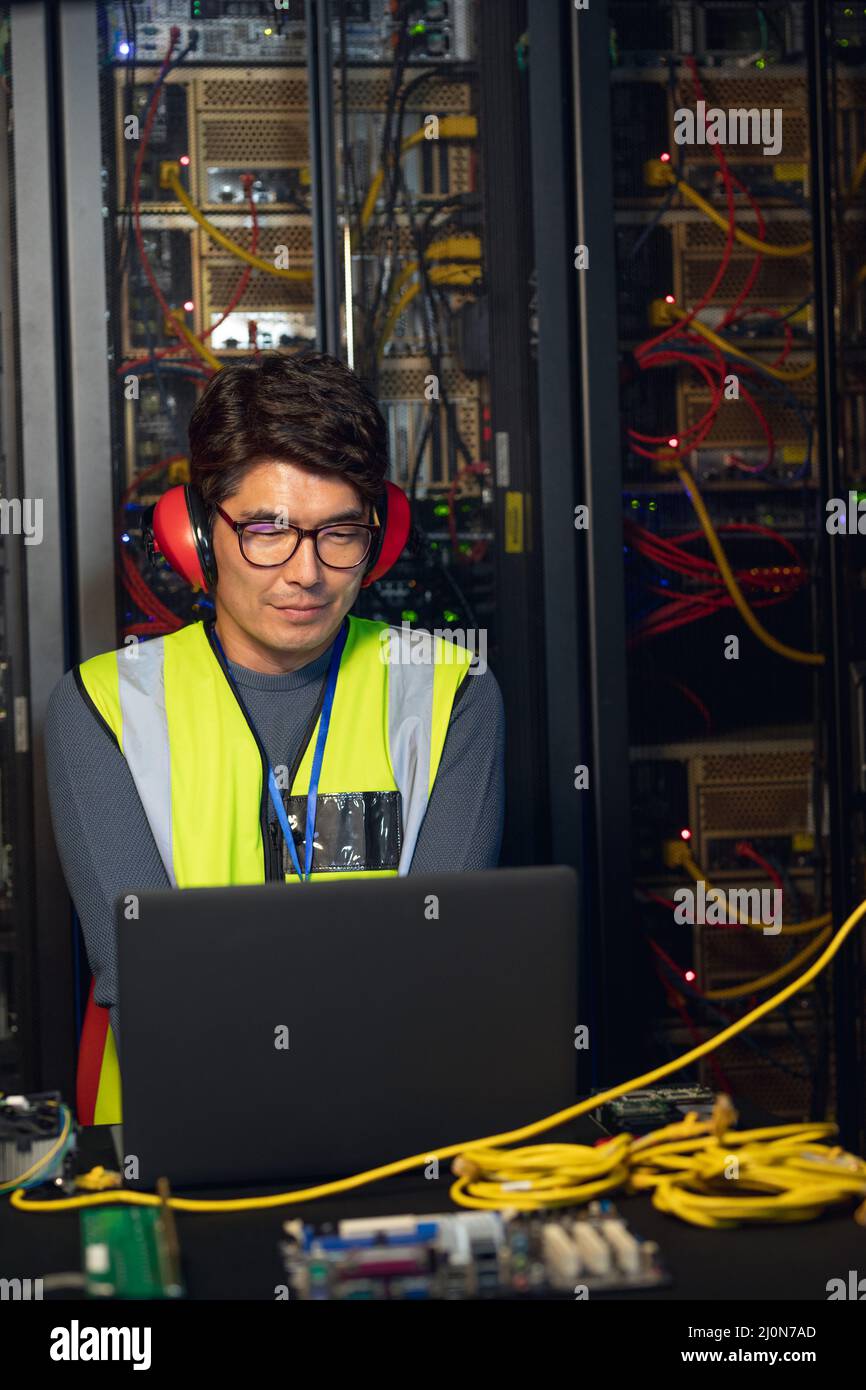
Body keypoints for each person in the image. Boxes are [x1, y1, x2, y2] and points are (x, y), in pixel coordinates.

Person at [45, 352, 505, 1123]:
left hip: (392, 1129)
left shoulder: (453, 691)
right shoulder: (99, 707)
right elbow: (145, 980)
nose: (307, 573)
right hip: (175, 1142)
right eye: (267, 529)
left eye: (339, 534)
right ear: (196, 532)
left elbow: (439, 967)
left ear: (379, 537)